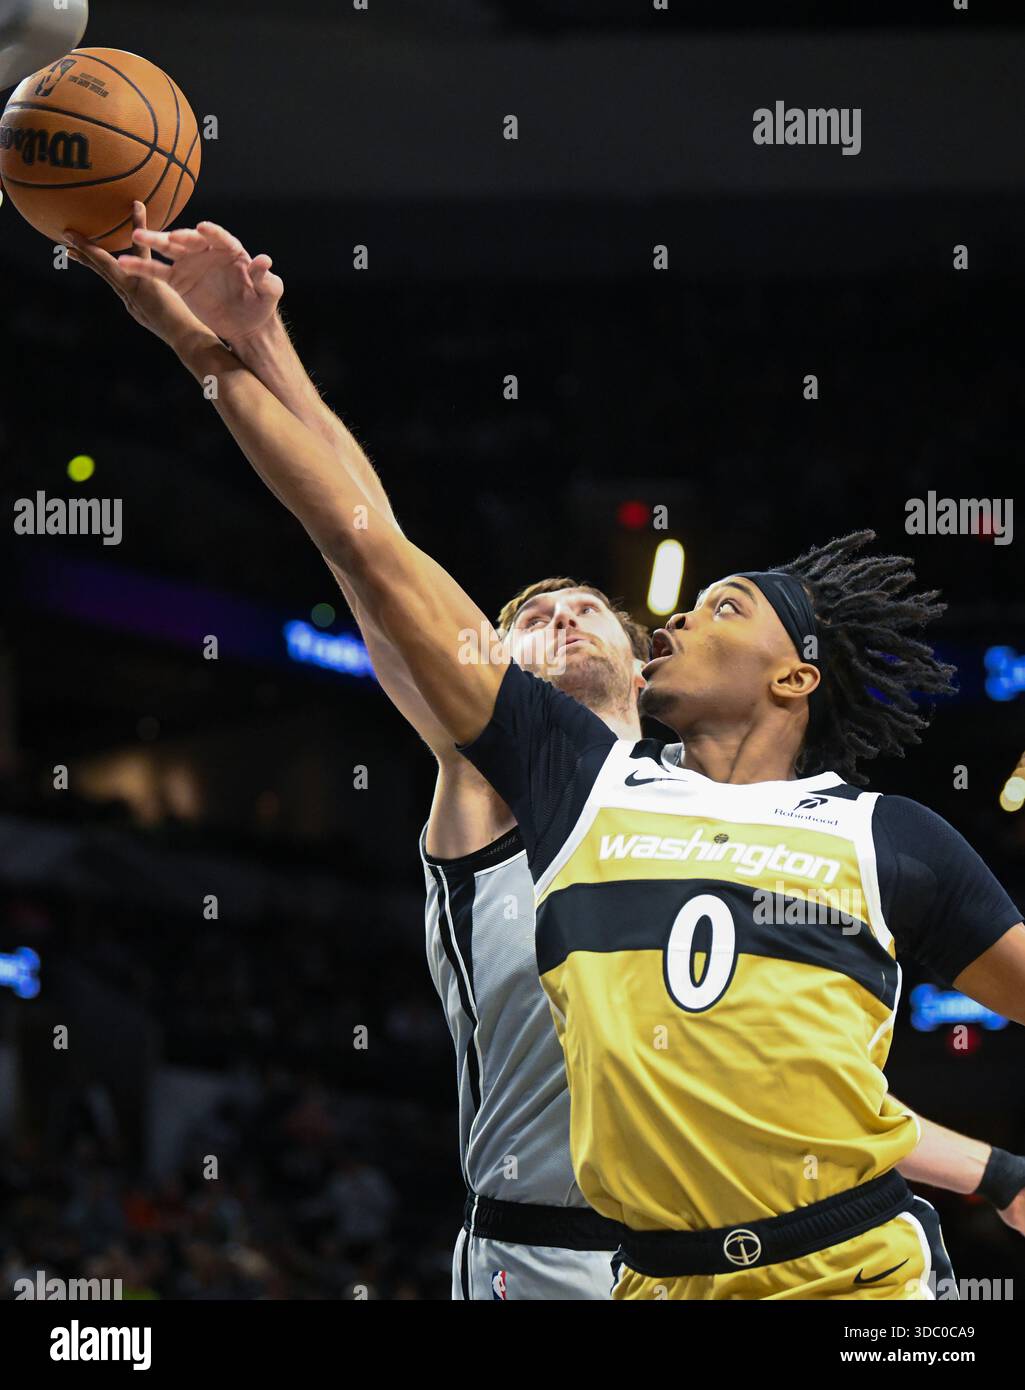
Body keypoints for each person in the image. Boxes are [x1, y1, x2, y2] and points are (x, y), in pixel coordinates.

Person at [65, 211, 1025, 1300]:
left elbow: (792, 1097)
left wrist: (989, 1172)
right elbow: (365, 536)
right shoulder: (509, 762)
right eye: (526, 615)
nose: (560, 618)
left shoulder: (745, 821)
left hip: (757, 1245)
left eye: (584, 608)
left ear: (636, 651)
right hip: (541, 1249)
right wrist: (244, 344)